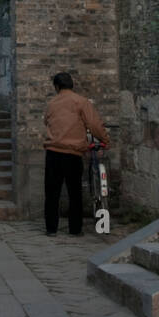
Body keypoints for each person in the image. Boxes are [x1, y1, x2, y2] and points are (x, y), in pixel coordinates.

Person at [43, 72, 109, 237]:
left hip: (53, 152)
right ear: (71, 85)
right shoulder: (81, 102)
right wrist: (105, 140)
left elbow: (46, 122)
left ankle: (51, 228)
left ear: (57, 87)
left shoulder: (51, 103)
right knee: (75, 192)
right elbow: (94, 124)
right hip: (72, 154)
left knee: (52, 193)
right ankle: (75, 229)